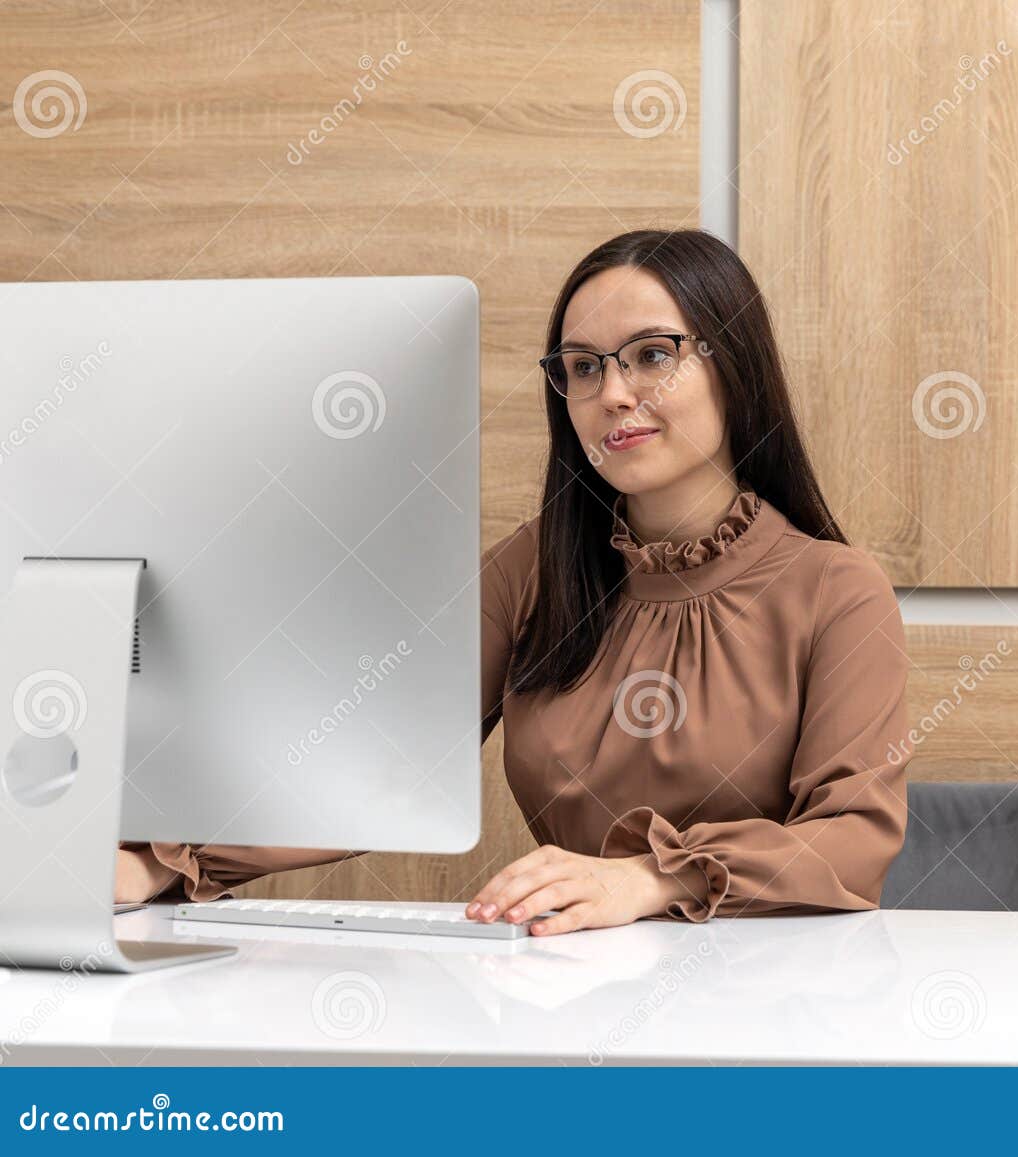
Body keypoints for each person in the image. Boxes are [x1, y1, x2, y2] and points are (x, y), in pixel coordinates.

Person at [116, 228, 912, 937]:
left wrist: (646, 877)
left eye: (653, 354)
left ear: (733, 365)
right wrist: (167, 860)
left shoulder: (837, 590)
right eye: (583, 367)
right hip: (560, 988)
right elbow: (380, 761)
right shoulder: (533, 568)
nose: (613, 394)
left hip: (774, 1002)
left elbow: (852, 840)